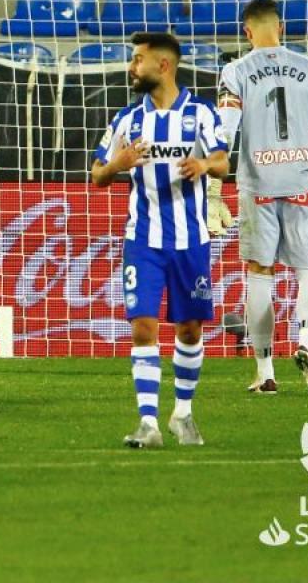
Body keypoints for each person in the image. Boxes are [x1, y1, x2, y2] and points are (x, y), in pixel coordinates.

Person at [91, 32, 229, 448]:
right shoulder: (127, 119)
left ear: (163, 65)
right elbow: (97, 175)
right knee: (143, 326)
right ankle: (148, 423)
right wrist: (117, 163)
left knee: (190, 329)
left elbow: (223, 161)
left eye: (138, 60)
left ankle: (182, 415)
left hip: (191, 240)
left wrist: (203, 164)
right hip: (143, 240)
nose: (132, 68)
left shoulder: (201, 112)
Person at [215, 0, 308, 396]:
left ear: (246, 32)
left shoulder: (235, 70)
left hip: (258, 186)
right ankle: (307, 342)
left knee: (259, 273)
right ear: (281, 27)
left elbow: (225, 131)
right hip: (302, 183)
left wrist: (213, 187)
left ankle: (265, 373)